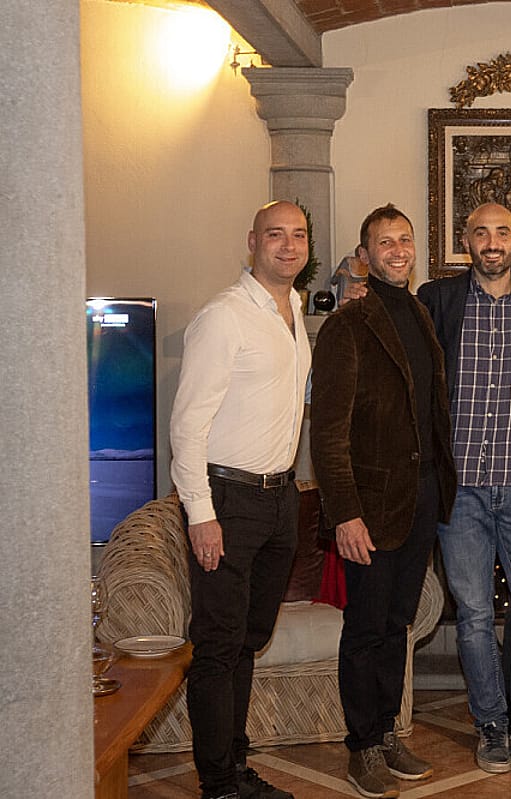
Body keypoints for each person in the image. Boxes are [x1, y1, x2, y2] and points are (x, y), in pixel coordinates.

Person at [310, 204, 457, 798]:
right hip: (367, 507)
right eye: (384, 243)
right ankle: (362, 746)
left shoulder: (419, 312)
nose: (398, 250)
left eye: (406, 240)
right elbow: (328, 431)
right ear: (364, 256)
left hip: (421, 498)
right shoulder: (349, 325)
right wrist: (344, 511)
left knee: (398, 624)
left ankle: (390, 731)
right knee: (366, 628)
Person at [416, 203, 511, 775]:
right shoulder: (440, 299)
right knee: (475, 615)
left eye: (502, 231)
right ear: (466, 241)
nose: (492, 241)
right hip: (462, 491)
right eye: (480, 232)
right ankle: (491, 726)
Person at [169, 200, 311, 799]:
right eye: (275, 235)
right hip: (226, 500)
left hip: (279, 500)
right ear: (251, 241)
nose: (287, 245)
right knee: (220, 646)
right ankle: (219, 784)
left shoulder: (295, 309)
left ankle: (234, 764)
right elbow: (186, 426)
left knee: (249, 641)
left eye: (298, 235)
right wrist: (201, 516)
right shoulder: (224, 316)